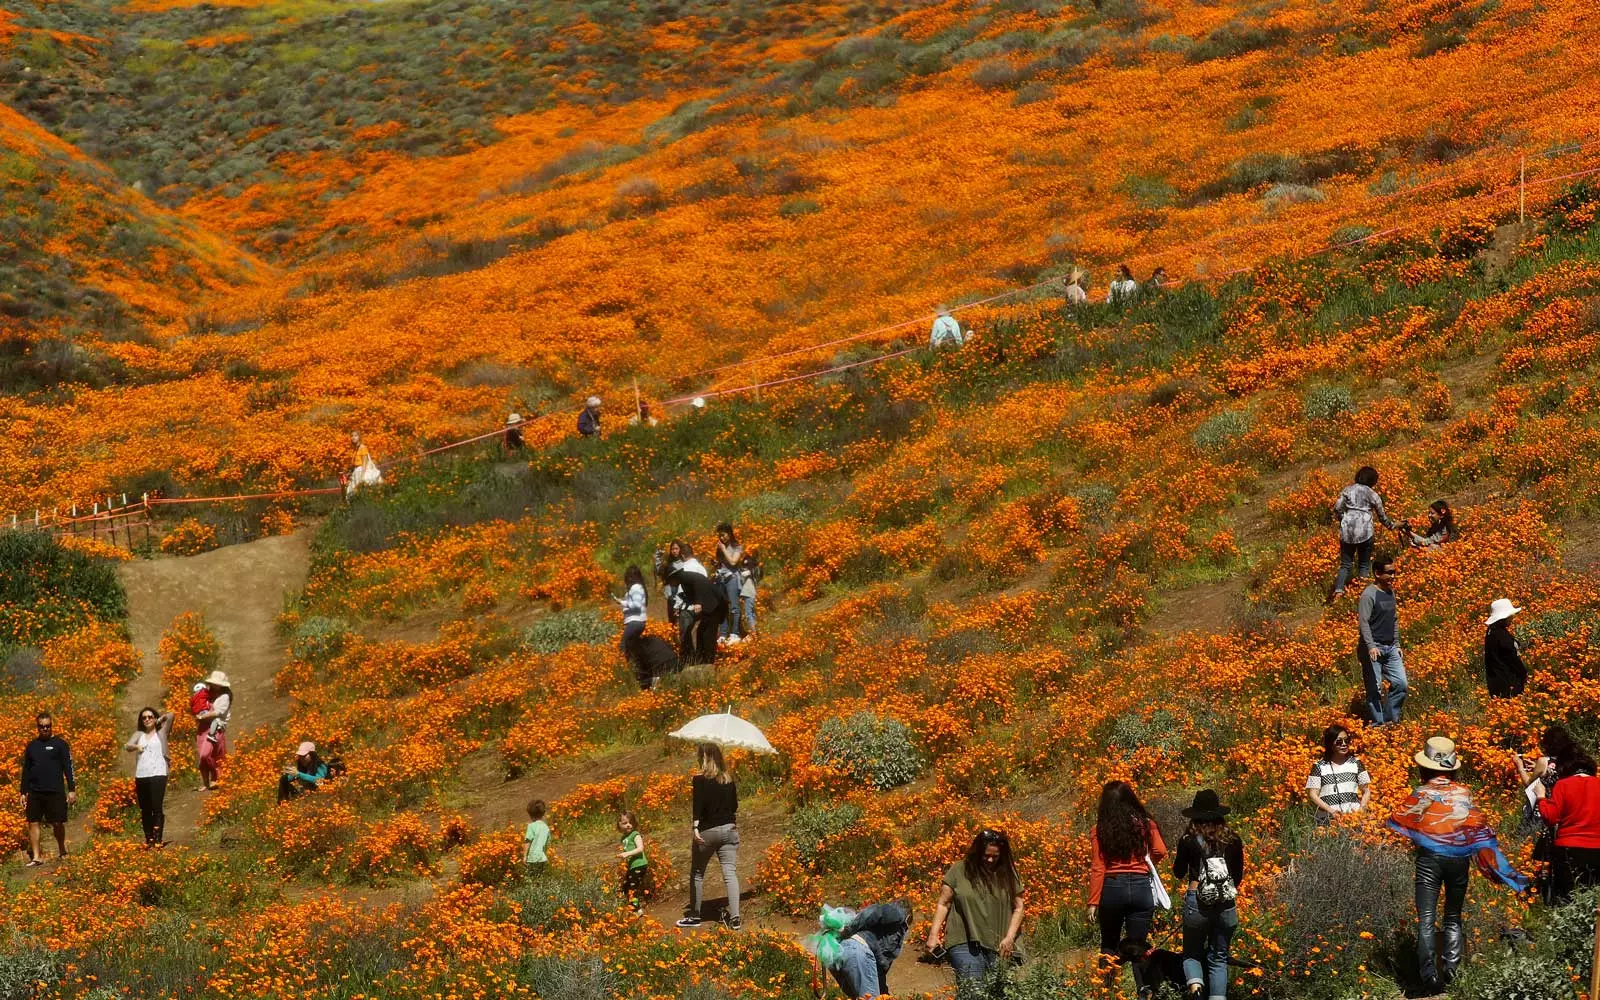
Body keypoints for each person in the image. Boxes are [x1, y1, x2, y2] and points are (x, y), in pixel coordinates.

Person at [1389, 737, 1528, 994]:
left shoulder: (1421, 792)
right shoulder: (1464, 793)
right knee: (1453, 916)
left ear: (1426, 766)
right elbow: (1473, 824)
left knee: (1426, 920)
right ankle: (1451, 972)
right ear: (1452, 767)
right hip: (1459, 860)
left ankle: (1428, 978)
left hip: (1429, 860)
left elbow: (1401, 821)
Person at [926, 828, 1026, 991]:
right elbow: (944, 903)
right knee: (973, 990)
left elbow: (1019, 907)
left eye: (995, 856)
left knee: (999, 992)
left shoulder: (1007, 873)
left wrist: (1009, 938)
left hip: (1000, 944)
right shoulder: (959, 870)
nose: (990, 859)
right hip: (963, 940)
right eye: (986, 855)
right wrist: (933, 935)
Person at [1088, 781, 1166, 986]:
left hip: (1113, 888)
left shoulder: (1100, 829)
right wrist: (1146, 863)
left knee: (1109, 943)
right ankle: (1144, 992)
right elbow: (1160, 851)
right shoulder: (1147, 824)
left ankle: (1106, 990)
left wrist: (1093, 902)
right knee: (1139, 947)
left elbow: (1098, 866)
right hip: (1141, 887)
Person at [1172, 790, 1244, 1000]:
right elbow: (1237, 876)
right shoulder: (1233, 839)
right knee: (1219, 958)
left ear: (1195, 815)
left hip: (1197, 901)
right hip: (1226, 902)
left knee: (1192, 954)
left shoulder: (1188, 840)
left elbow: (1178, 872)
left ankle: (1196, 990)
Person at [678, 743, 741, 929]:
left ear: (703, 758)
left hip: (707, 831)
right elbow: (735, 806)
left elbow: (697, 807)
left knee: (697, 873)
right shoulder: (729, 779)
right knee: (730, 873)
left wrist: (695, 827)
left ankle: (695, 915)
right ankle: (735, 917)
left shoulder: (699, 780)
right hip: (729, 830)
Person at [1534, 745, 1600, 902]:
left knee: (1567, 898)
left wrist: (1541, 797)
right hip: (1598, 849)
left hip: (1569, 849)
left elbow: (1550, 817)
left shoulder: (1563, 785)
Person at [809, 901, 912, 998]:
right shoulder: (897, 912)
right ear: (908, 918)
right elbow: (874, 912)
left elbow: (878, 970)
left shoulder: (882, 932)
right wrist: (849, 929)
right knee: (868, 998)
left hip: (842, 952)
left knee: (860, 997)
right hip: (857, 952)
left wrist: (884, 996)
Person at [1328, 466, 1396, 600]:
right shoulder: (1372, 494)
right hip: (1365, 532)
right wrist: (1391, 526)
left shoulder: (1348, 490)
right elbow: (1382, 517)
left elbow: (1337, 508)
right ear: (1373, 481)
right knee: (1364, 565)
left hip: (1347, 531)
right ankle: (1363, 595)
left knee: (1345, 564)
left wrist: (1343, 519)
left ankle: (1339, 591)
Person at [19, 712, 76, 866]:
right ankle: (37, 857)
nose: (45, 729)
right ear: (37, 727)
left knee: (57, 823)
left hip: (55, 790)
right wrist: (23, 792)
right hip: (35, 791)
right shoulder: (32, 746)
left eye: (48, 726)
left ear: (51, 726)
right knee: (33, 822)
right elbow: (26, 771)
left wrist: (72, 789)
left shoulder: (60, 744)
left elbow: (68, 768)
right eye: (42, 726)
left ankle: (62, 850)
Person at [1357, 558, 1407, 726]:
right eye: (1389, 572)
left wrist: (1397, 643)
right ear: (1377, 574)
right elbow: (1363, 622)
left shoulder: (1390, 592)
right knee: (1375, 689)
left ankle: (1390, 720)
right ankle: (1378, 725)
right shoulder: (1368, 595)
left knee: (1401, 684)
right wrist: (1370, 646)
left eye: (1394, 572)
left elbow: (1394, 619)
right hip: (1374, 648)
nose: (1393, 576)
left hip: (1391, 647)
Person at [124, 706, 174, 847]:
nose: (147, 719)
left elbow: (171, 716)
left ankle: (157, 840)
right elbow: (127, 746)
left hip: (159, 773)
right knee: (145, 809)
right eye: (144, 717)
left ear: (154, 718)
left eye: (150, 717)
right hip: (142, 775)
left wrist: (160, 719)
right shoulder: (139, 734)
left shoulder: (162, 732)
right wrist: (136, 747)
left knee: (156, 806)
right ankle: (149, 840)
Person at [1306, 724, 1372, 823]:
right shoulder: (1319, 766)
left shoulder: (1356, 763)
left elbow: (1366, 790)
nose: (1344, 744)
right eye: (1339, 741)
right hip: (1327, 820)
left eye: (1347, 740)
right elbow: (1313, 794)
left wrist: (1362, 808)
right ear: (1330, 744)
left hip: (1352, 818)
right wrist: (1331, 811)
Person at [665, 562, 725, 666]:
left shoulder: (686, 577)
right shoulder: (684, 580)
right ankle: (702, 660)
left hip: (714, 605)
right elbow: (690, 597)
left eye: (669, 581)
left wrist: (698, 602)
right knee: (701, 632)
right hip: (710, 606)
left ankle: (708, 663)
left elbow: (698, 584)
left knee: (708, 634)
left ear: (673, 577)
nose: (670, 584)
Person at [194, 670, 232, 791]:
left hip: (216, 728)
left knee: (210, 754)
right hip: (203, 728)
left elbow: (218, 712)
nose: (215, 685)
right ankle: (206, 782)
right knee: (202, 756)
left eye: (217, 683)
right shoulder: (206, 693)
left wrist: (202, 716)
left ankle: (216, 777)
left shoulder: (224, 696)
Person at [1483, 598, 1527, 698]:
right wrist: (1524, 674)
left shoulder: (1491, 631)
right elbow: (1513, 661)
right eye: (1510, 616)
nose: (1512, 618)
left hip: (1495, 684)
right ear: (1503, 617)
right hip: (1508, 687)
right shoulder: (1501, 636)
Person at [714, 523, 747, 643]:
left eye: (723, 535)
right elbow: (722, 563)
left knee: (734, 607)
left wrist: (723, 549)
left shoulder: (737, 547)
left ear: (729, 533)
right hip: (720, 579)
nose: (721, 538)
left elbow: (733, 562)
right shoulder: (720, 547)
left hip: (732, 579)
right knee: (722, 607)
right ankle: (723, 634)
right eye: (720, 536)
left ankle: (735, 633)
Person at [614, 565, 648, 673]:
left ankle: (626, 670)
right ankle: (638, 669)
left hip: (635, 622)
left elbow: (636, 605)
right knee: (632, 647)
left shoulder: (636, 588)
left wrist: (623, 603)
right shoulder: (639, 587)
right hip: (637, 622)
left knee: (624, 645)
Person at [617, 810, 651, 916]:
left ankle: (636, 910)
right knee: (626, 887)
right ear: (619, 825)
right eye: (625, 823)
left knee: (632, 888)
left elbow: (640, 848)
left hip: (640, 864)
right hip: (632, 865)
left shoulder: (635, 835)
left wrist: (627, 854)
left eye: (630, 822)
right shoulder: (624, 838)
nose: (628, 825)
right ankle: (633, 907)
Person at [346, 431, 382, 497]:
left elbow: (364, 463)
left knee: (357, 492)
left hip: (361, 471)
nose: (353, 438)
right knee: (351, 492)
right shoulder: (355, 449)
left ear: (359, 437)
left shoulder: (363, 448)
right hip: (356, 471)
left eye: (356, 436)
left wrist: (361, 477)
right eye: (352, 436)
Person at [190, 682, 224, 746]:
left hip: (198, 715)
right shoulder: (203, 692)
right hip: (204, 712)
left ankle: (214, 727)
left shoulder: (193, 699)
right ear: (203, 688)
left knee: (206, 723)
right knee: (216, 719)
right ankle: (211, 734)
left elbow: (192, 709)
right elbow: (212, 695)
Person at [525, 799, 551, 872]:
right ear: (543, 813)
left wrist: (524, 856)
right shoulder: (546, 827)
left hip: (532, 858)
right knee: (540, 876)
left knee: (532, 877)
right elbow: (547, 842)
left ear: (531, 815)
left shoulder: (531, 826)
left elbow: (528, 842)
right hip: (542, 858)